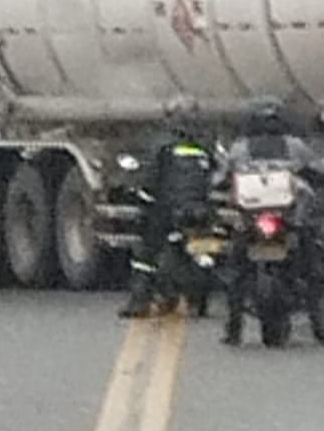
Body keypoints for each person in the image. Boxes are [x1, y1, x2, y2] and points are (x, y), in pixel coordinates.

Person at [217, 101, 324, 346]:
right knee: (313, 269)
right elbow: (316, 170)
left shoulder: (239, 148)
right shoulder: (294, 146)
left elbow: (220, 177)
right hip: (287, 219)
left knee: (236, 271)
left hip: (256, 219)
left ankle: (234, 328)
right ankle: (318, 323)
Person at [118, 119, 215, 319]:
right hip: (200, 211)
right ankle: (199, 302)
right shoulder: (203, 152)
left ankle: (139, 301)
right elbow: (215, 178)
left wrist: (143, 197)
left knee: (146, 254)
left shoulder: (164, 149)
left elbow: (150, 181)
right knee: (205, 248)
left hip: (169, 210)